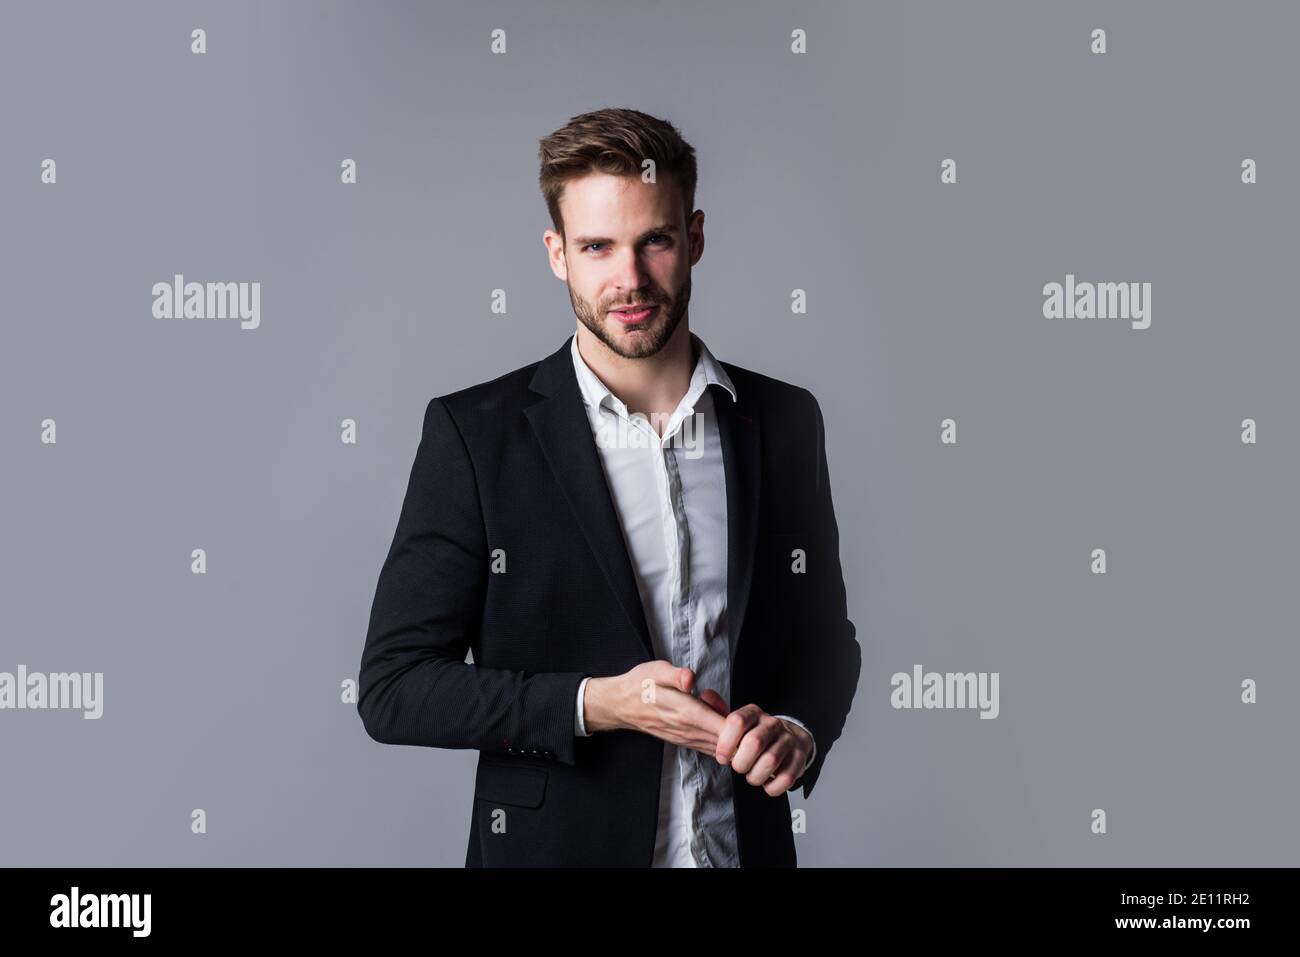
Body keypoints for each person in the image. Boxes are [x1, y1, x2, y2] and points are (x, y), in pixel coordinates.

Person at [358, 107, 860, 867]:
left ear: (693, 237)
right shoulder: (475, 435)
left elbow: (826, 642)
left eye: (653, 241)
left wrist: (799, 729)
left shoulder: (785, 421)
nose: (628, 279)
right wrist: (596, 704)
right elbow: (393, 687)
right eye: (597, 246)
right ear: (557, 253)